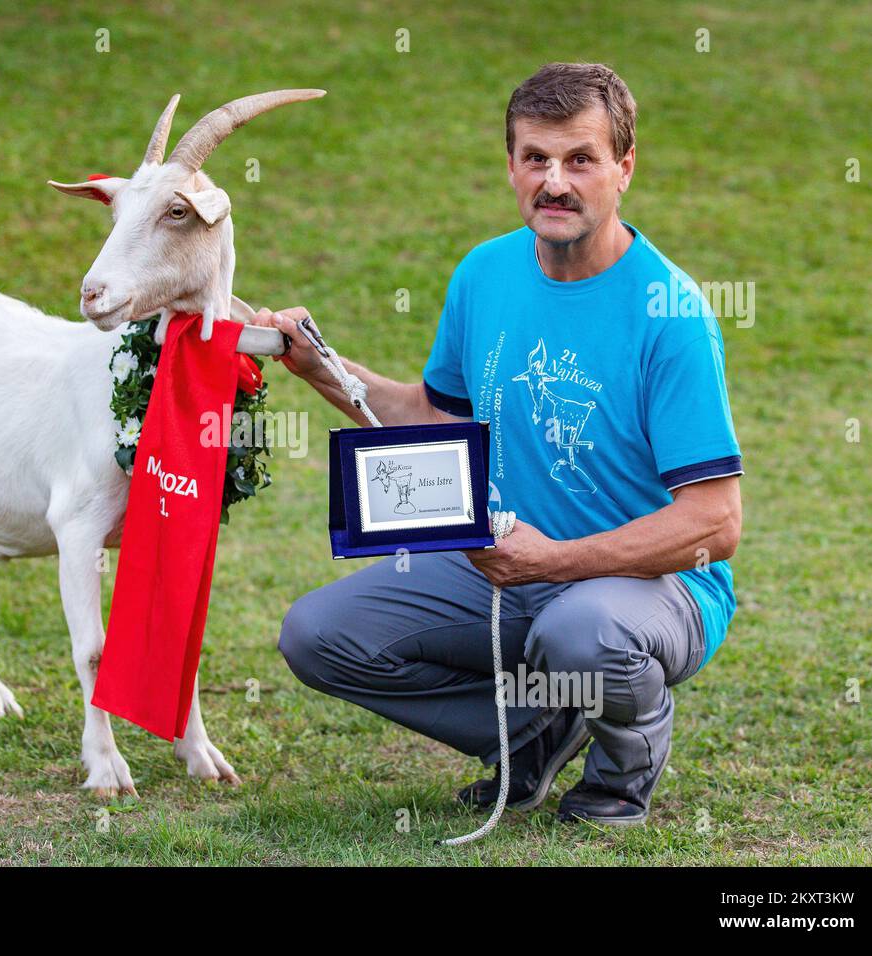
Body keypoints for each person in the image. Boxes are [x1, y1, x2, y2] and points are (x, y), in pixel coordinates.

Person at [255, 62, 744, 826]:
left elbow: (715, 524)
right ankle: (534, 731)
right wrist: (321, 367)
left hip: (648, 587)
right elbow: (436, 418)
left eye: (580, 159)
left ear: (624, 168)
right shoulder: (483, 274)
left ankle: (621, 774)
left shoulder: (670, 314)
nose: (555, 182)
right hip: (509, 563)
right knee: (319, 635)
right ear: (512, 165)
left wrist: (555, 563)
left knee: (579, 632)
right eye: (536, 158)